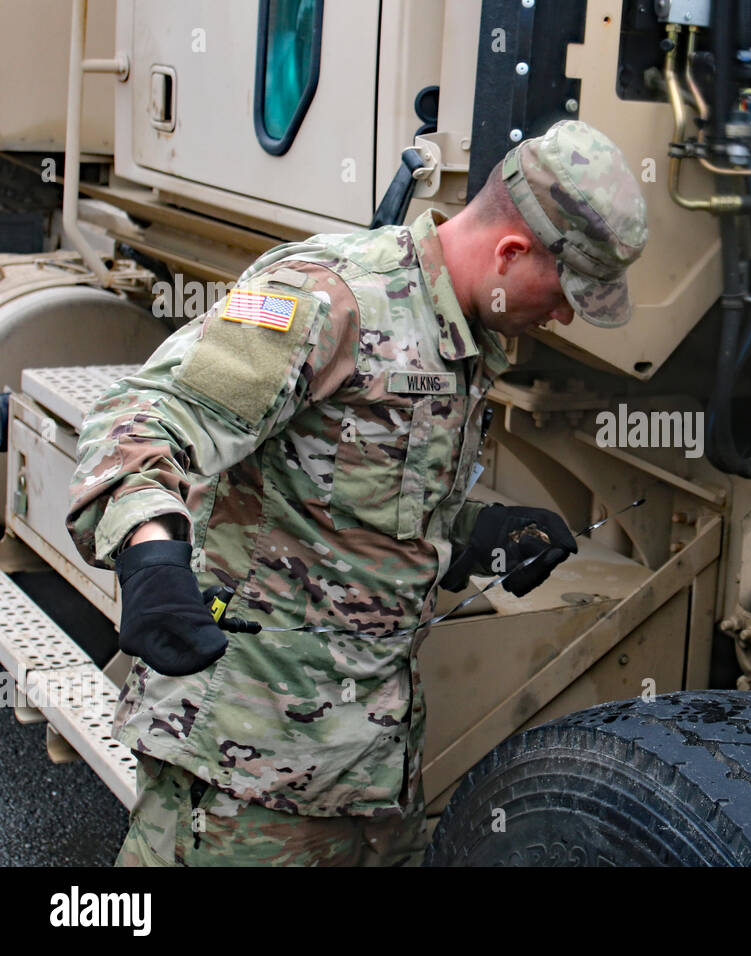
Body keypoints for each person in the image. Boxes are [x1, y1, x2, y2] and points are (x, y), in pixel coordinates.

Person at [66, 120, 648, 866]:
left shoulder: (463, 337)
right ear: (511, 251)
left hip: (370, 780)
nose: (565, 314)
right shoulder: (328, 297)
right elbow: (141, 417)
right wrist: (152, 557)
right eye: (565, 291)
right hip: (245, 778)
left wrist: (473, 530)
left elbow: (343, 495)